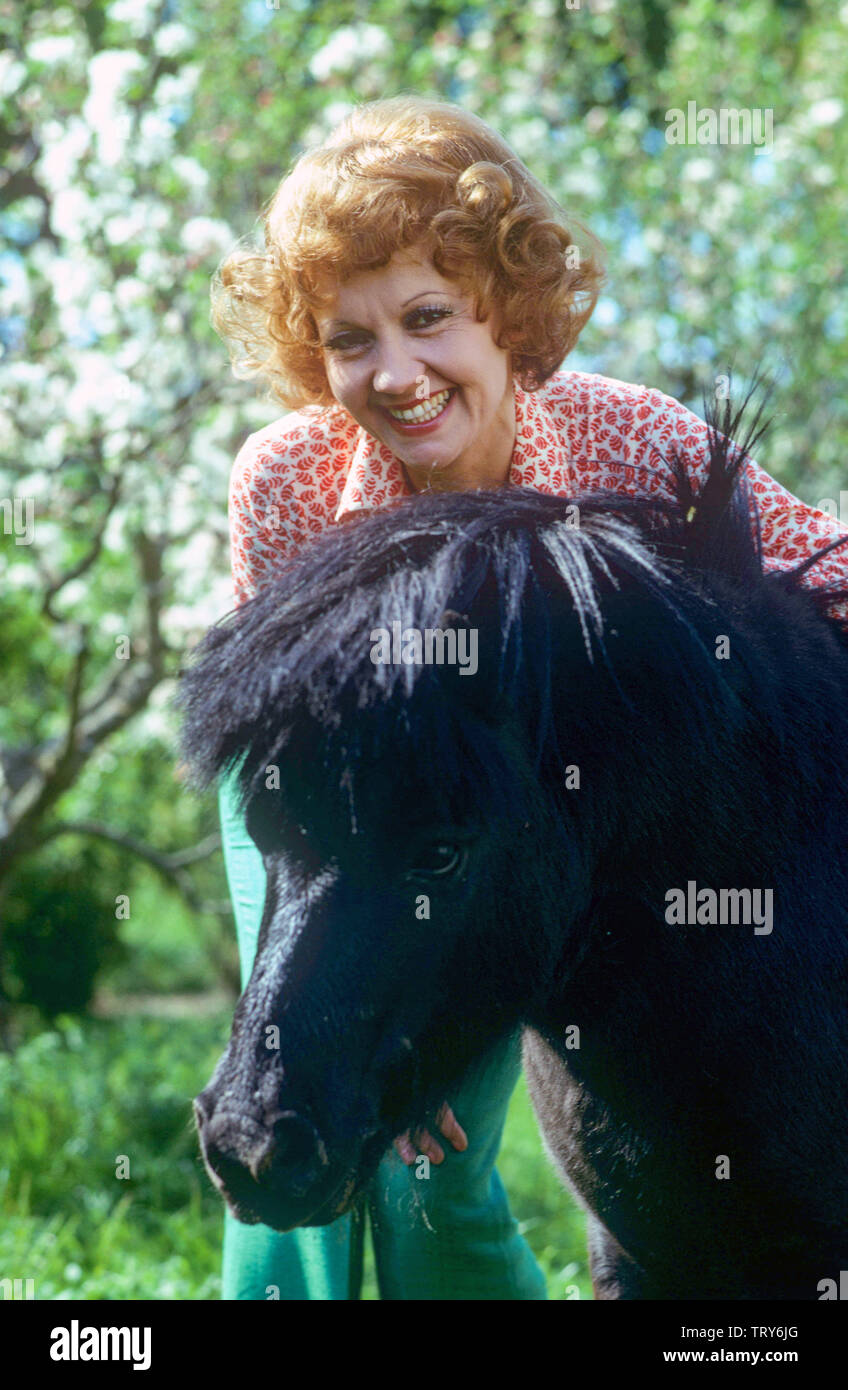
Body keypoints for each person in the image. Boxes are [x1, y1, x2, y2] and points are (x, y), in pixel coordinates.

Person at [210, 93, 848, 1300]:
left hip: (498, 831)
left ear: (503, 312)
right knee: (295, 1114)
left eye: (427, 317)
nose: (394, 373)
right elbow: (278, 749)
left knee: (436, 1174)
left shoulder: (629, 443)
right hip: (321, 825)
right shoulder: (287, 480)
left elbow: (823, 575)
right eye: (350, 340)